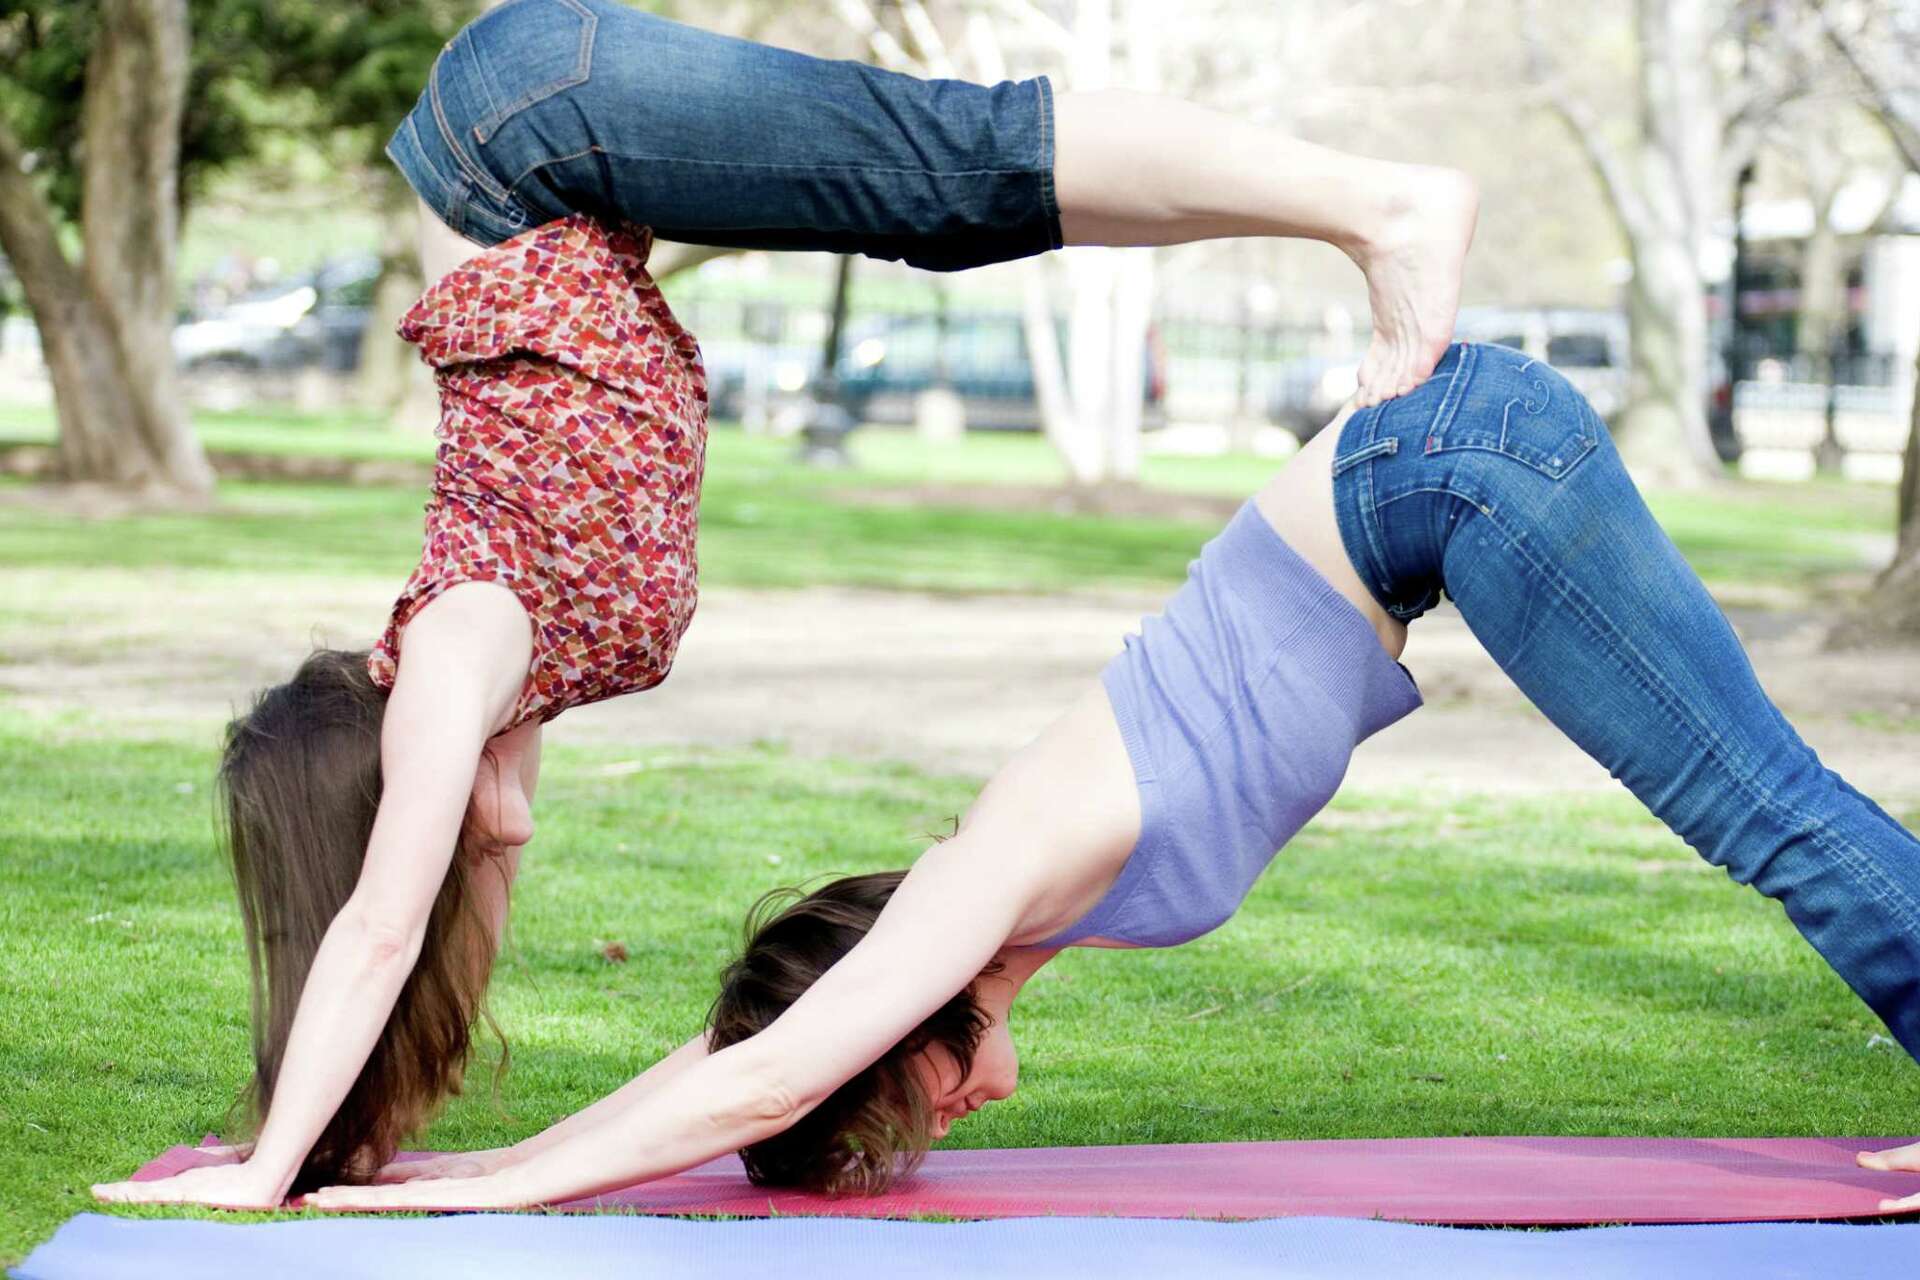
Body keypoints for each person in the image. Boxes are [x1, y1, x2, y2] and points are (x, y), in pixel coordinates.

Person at [91, 0, 1479, 1209]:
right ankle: (1370, 206)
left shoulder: (459, 644)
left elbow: (385, 924)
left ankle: (1381, 206)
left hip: (518, 122)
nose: (481, 828)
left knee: (950, 165)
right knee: (944, 191)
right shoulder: (505, 718)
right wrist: (381, 1141)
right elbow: (459, 899)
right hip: (547, 158)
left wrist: (268, 1169)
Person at [289, 341, 1920, 1216]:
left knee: (1757, 808)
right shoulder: (988, 919)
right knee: (1762, 803)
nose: (961, 1117)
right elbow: (741, 1051)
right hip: (1433, 484)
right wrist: (496, 1167)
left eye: (912, 1117)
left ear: (905, 1043)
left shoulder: (981, 888)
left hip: (1450, 471)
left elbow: (766, 1085)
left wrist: (473, 1223)